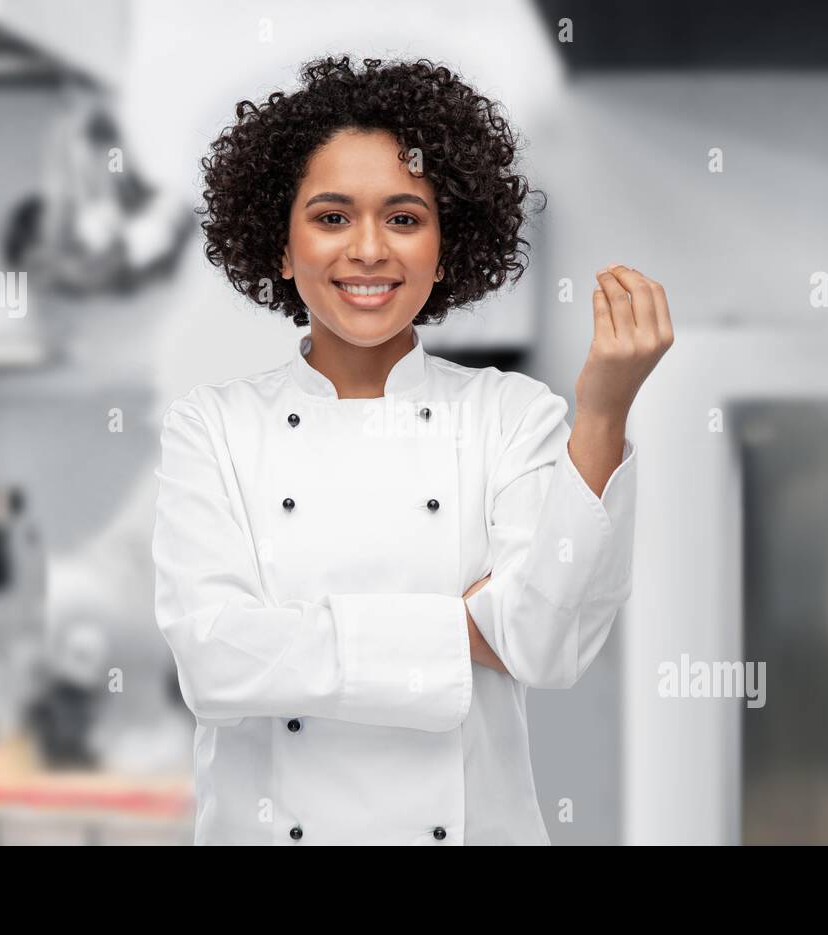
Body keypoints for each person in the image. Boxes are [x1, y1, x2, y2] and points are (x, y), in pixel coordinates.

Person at [152, 55, 673, 845]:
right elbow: (216, 661)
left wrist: (603, 409)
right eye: (331, 218)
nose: (368, 250)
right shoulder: (213, 429)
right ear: (281, 247)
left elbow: (548, 640)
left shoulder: (508, 415)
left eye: (404, 218)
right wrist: (467, 624)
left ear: (445, 245)